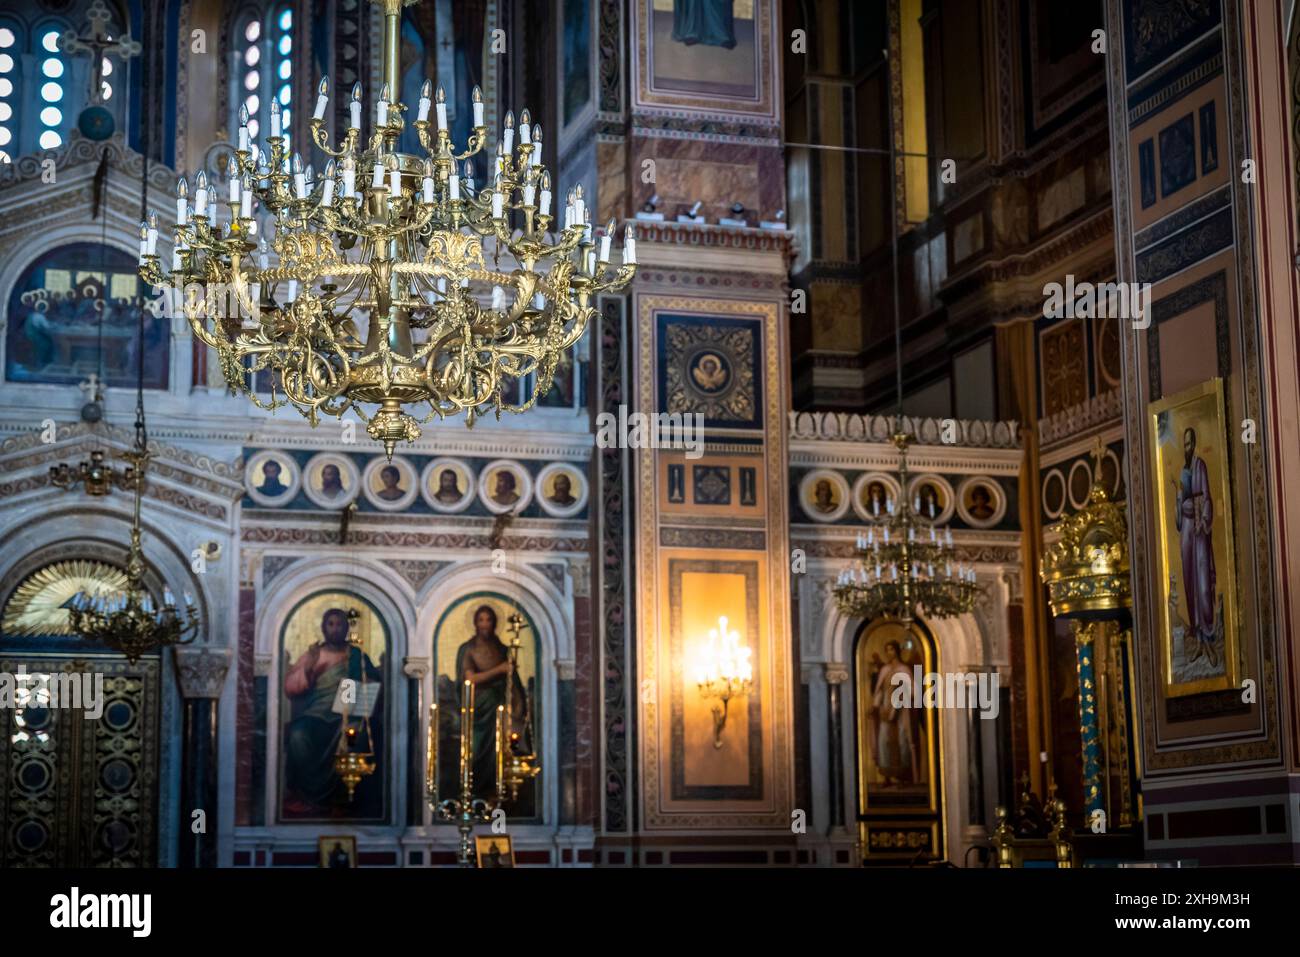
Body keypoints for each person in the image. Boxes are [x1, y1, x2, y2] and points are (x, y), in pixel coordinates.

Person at [282, 608, 383, 816]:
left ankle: (346, 797)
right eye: (331, 624)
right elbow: (292, 687)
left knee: (357, 735)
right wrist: (308, 668)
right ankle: (309, 795)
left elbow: (372, 682)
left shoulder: (356, 655)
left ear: (346, 628)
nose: (335, 629)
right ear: (323, 628)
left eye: (340, 624)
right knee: (297, 735)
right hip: (317, 713)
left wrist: (367, 682)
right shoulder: (314, 654)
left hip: (348, 713)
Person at [454, 606, 527, 798]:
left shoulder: (503, 650)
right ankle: (475, 792)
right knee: (477, 752)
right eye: (481, 620)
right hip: (477, 707)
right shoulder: (468, 649)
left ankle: (500, 790)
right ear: (475, 623)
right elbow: (470, 680)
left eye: (489, 620)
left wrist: (519, 703)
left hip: (501, 708)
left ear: (494, 623)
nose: (485, 624)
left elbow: (513, 680)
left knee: (502, 747)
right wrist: (500, 670)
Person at [1173, 427, 1218, 665]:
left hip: (1199, 529)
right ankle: (1198, 640)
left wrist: (1203, 520)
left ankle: (1208, 637)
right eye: (1184, 444)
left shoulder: (1200, 466)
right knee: (1190, 582)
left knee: (1202, 584)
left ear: (1195, 444)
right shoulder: (1183, 471)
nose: (1187, 448)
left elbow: (1207, 497)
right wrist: (1177, 499)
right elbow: (1180, 506)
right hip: (1187, 531)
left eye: (1189, 443)